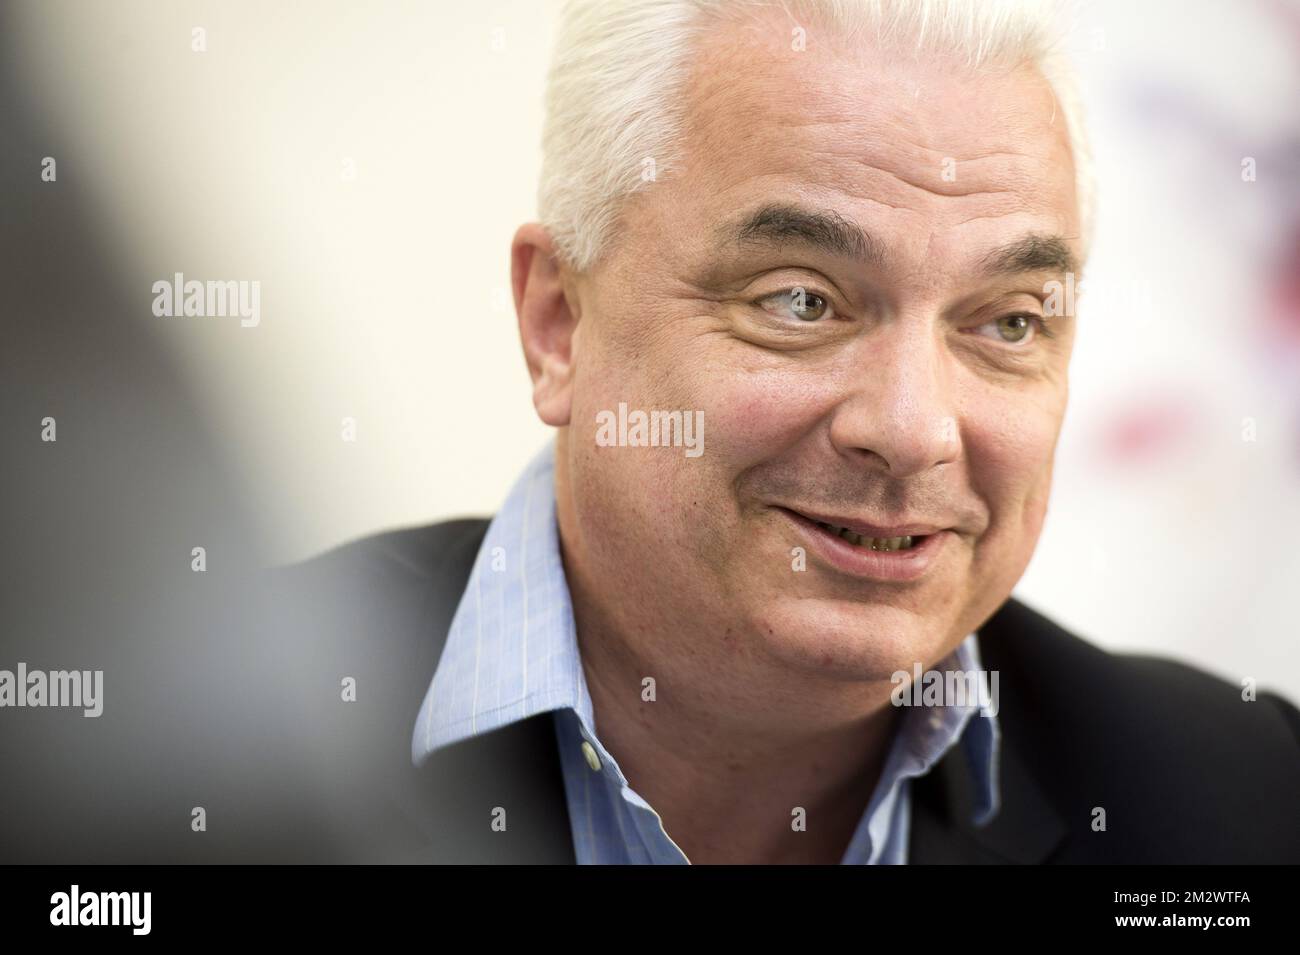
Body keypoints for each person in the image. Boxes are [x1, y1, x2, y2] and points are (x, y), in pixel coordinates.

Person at [216, 0, 1300, 864]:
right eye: (799, 301)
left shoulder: (1238, 801)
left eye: (1006, 321)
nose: (913, 429)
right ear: (558, 322)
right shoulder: (187, 752)